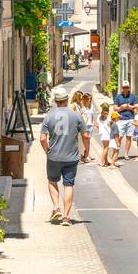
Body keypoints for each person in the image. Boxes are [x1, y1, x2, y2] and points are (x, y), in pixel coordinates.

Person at [40, 86, 89, 225]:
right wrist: (86, 150)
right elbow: (85, 135)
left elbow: (43, 138)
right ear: (67, 100)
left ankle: (56, 208)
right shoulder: (76, 116)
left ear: (55, 101)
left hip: (54, 156)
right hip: (71, 157)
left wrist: (47, 151)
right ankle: (66, 217)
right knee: (68, 185)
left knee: (52, 181)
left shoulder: (49, 116)